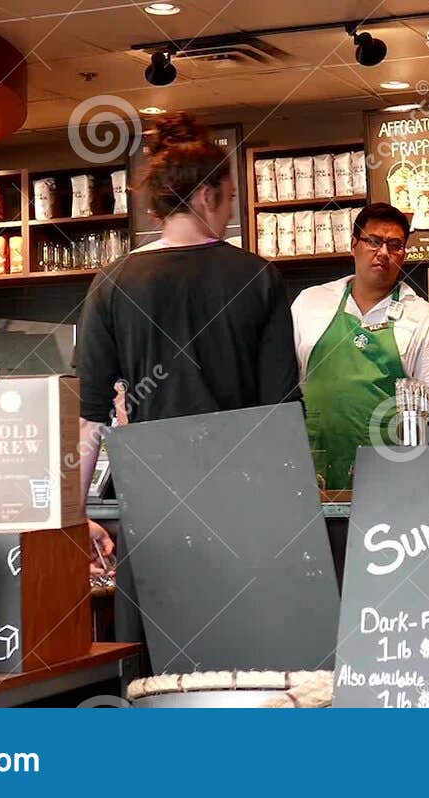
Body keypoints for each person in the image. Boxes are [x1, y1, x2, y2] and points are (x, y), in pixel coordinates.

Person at [74, 114, 299, 567]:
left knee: (155, 633)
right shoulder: (257, 277)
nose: (231, 211)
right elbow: (281, 412)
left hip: (153, 497)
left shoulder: (114, 282)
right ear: (205, 195)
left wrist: (75, 515)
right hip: (242, 497)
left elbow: (89, 416)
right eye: (230, 198)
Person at [291, 202, 429, 492]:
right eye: (374, 241)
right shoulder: (310, 302)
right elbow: (287, 386)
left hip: (393, 474)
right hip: (314, 467)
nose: (383, 253)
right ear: (354, 244)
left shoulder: (423, 317)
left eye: (395, 245)